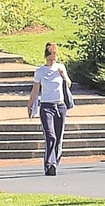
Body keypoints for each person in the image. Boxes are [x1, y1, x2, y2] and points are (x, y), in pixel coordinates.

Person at [28, 42, 74, 177]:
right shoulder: (40, 71)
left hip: (60, 106)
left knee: (58, 137)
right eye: (50, 57)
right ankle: (49, 164)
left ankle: (55, 162)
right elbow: (35, 89)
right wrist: (30, 104)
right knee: (50, 136)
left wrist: (64, 76)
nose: (53, 59)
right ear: (46, 56)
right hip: (46, 106)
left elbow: (69, 84)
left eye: (54, 56)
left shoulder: (61, 68)